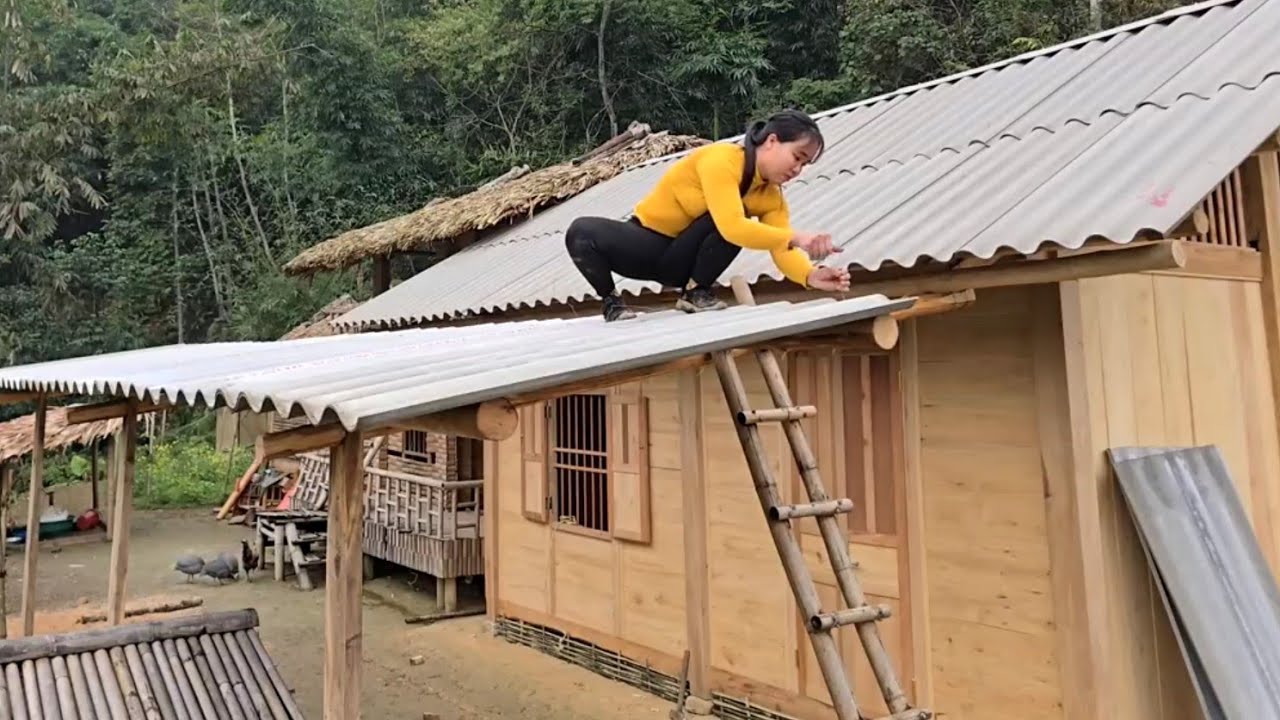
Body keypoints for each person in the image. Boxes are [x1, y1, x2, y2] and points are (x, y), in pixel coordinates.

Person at [564, 109, 851, 322]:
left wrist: (809, 275)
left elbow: (780, 246)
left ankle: (696, 291)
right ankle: (612, 302)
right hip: (645, 243)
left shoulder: (771, 198)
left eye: (804, 165)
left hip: (682, 262)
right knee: (581, 231)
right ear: (772, 141)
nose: (797, 170)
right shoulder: (722, 160)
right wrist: (798, 237)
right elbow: (732, 227)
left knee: (738, 218)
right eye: (797, 157)